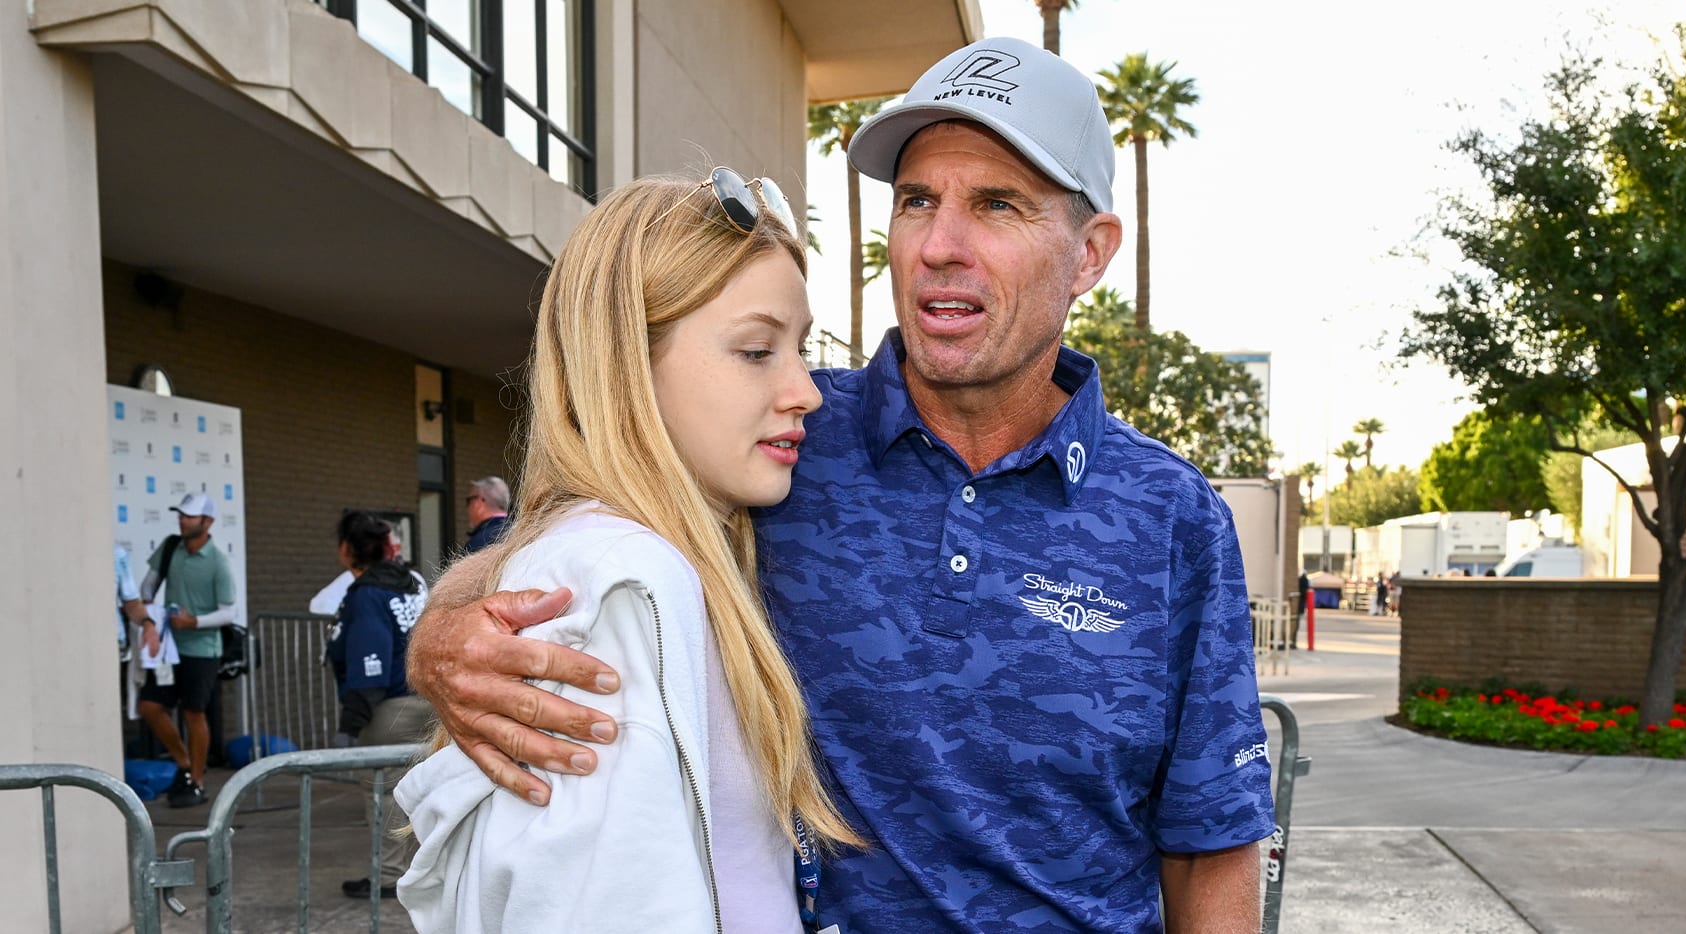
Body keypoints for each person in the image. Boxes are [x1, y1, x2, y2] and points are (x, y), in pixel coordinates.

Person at [405, 37, 1275, 931]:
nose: (940, 245)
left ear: (1090, 254)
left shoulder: (1172, 517)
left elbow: (1211, 846)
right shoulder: (781, 439)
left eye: (997, 204)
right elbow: (604, 518)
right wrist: (451, 626)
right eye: (916, 201)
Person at [395, 171, 862, 931]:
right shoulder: (623, 585)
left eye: (801, 348)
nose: (807, 390)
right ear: (626, 365)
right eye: (756, 350)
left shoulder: (678, 546)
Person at [324, 511, 430, 900]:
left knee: (383, 794)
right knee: (417, 791)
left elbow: (371, 661)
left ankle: (389, 876)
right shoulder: (410, 584)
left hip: (389, 706)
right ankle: (420, 870)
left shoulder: (368, 594)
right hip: (426, 698)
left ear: (347, 549)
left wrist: (349, 726)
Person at [137, 492, 238, 808]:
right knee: (150, 706)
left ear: (207, 522)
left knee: (194, 712)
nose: (182, 520)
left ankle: (196, 779)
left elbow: (228, 612)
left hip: (203, 650)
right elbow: (146, 587)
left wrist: (193, 622)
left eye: (189, 516)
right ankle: (182, 761)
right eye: (180, 514)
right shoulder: (170, 548)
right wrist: (151, 614)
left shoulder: (219, 562)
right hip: (169, 649)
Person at [309, 524, 428, 615]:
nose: (393, 552)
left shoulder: (414, 578)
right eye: (387, 547)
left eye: (395, 547)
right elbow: (319, 605)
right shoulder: (358, 580)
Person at [463, 476, 511, 553]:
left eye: (468, 500)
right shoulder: (524, 534)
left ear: (479, 503)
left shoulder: (477, 544)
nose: (467, 507)